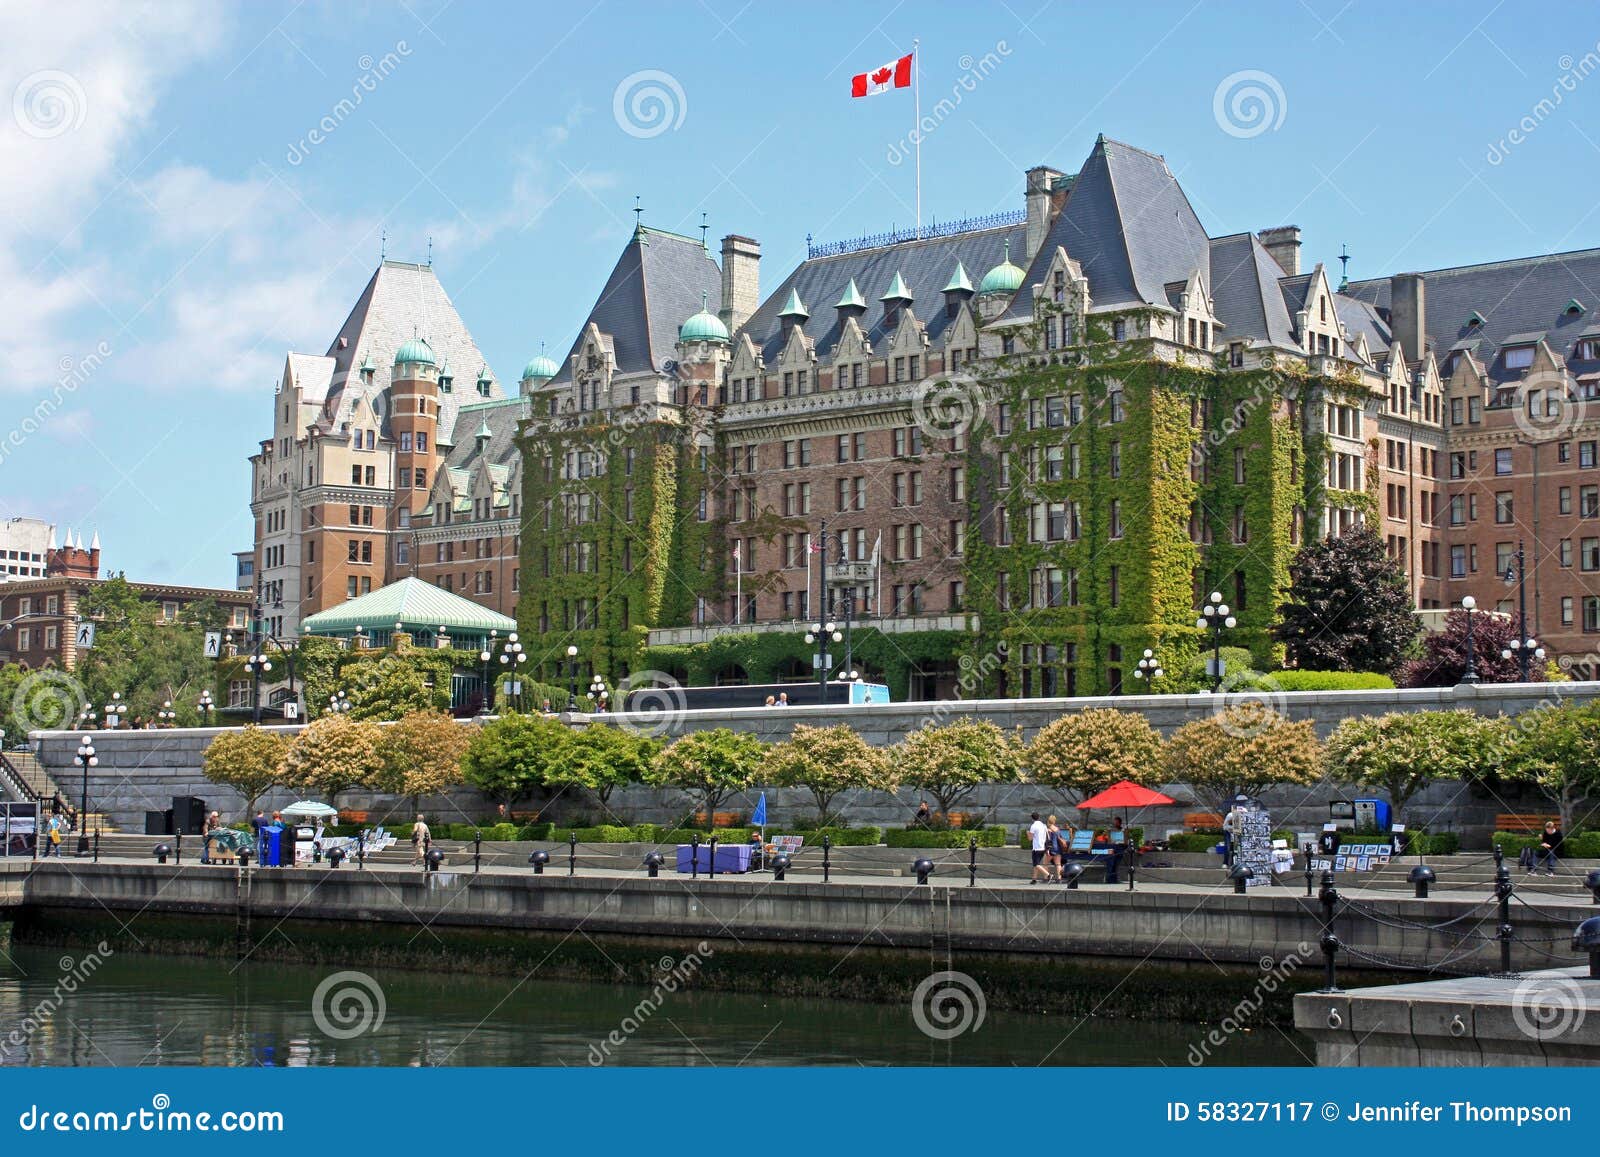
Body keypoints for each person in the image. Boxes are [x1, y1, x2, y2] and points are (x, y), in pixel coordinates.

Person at [1027, 812, 1049, 884]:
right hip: (1043, 847)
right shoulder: (1044, 825)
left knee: (1036, 864)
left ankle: (1048, 875)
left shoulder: (1033, 826)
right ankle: (1034, 879)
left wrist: (1027, 833)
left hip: (1036, 848)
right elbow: (1047, 835)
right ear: (1039, 817)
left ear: (1032, 818)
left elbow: (1030, 838)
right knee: (1037, 864)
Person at [1044, 815, 1064, 882]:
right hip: (1058, 848)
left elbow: (1047, 840)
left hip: (1051, 848)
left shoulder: (1048, 829)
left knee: (1045, 863)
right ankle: (1059, 878)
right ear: (1054, 821)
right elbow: (1060, 838)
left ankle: (1047, 878)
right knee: (1058, 864)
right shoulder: (1057, 829)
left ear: (1048, 821)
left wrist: (1046, 849)